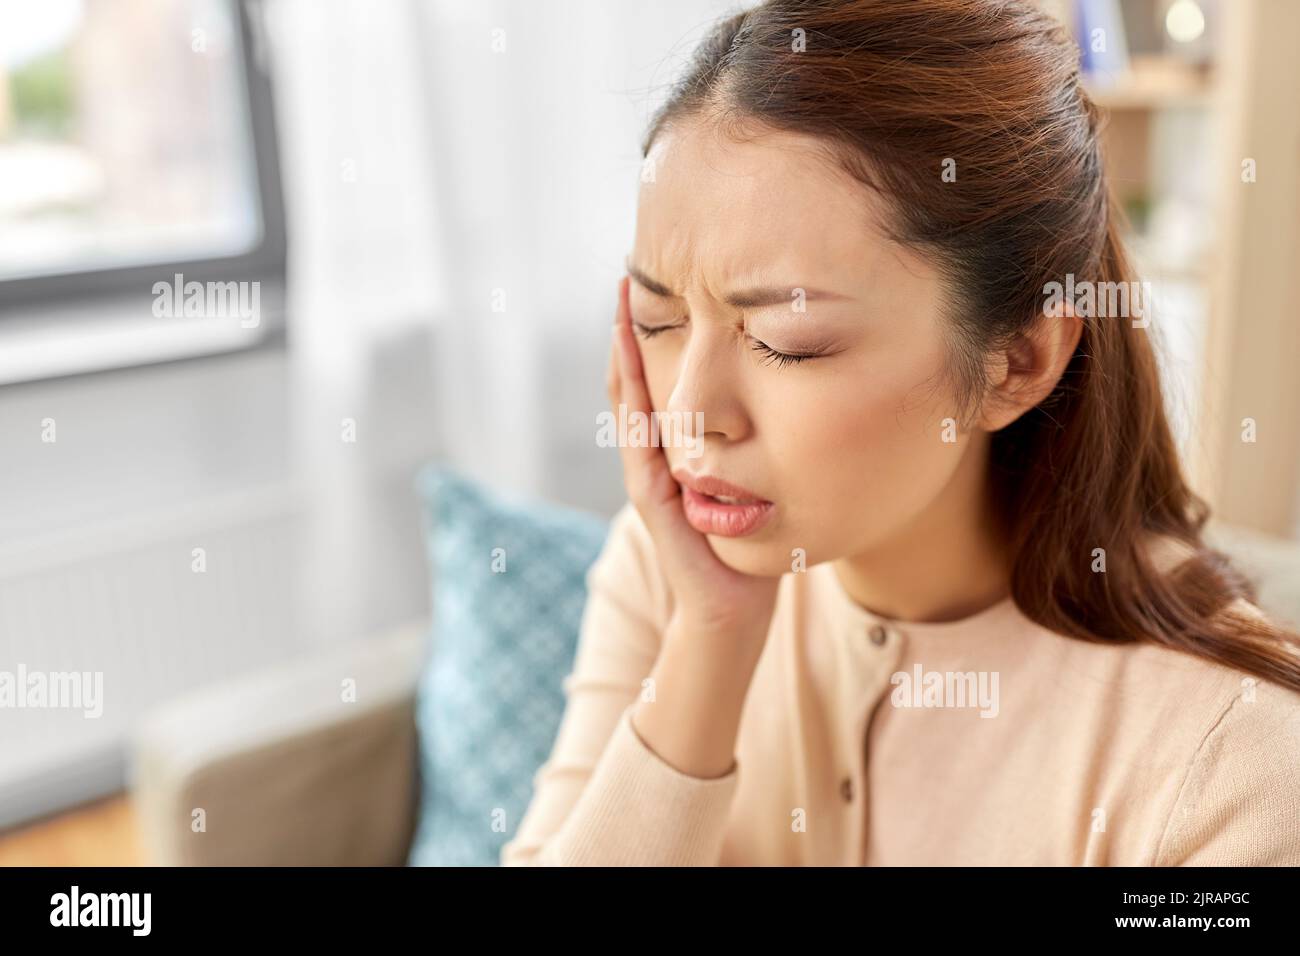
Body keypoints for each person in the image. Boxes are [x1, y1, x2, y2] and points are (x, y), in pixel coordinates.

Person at [501, 0, 1300, 866]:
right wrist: (711, 643)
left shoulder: (1234, 759)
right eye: (658, 320)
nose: (690, 411)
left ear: (1022, 357)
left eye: (786, 341)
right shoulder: (667, 576)